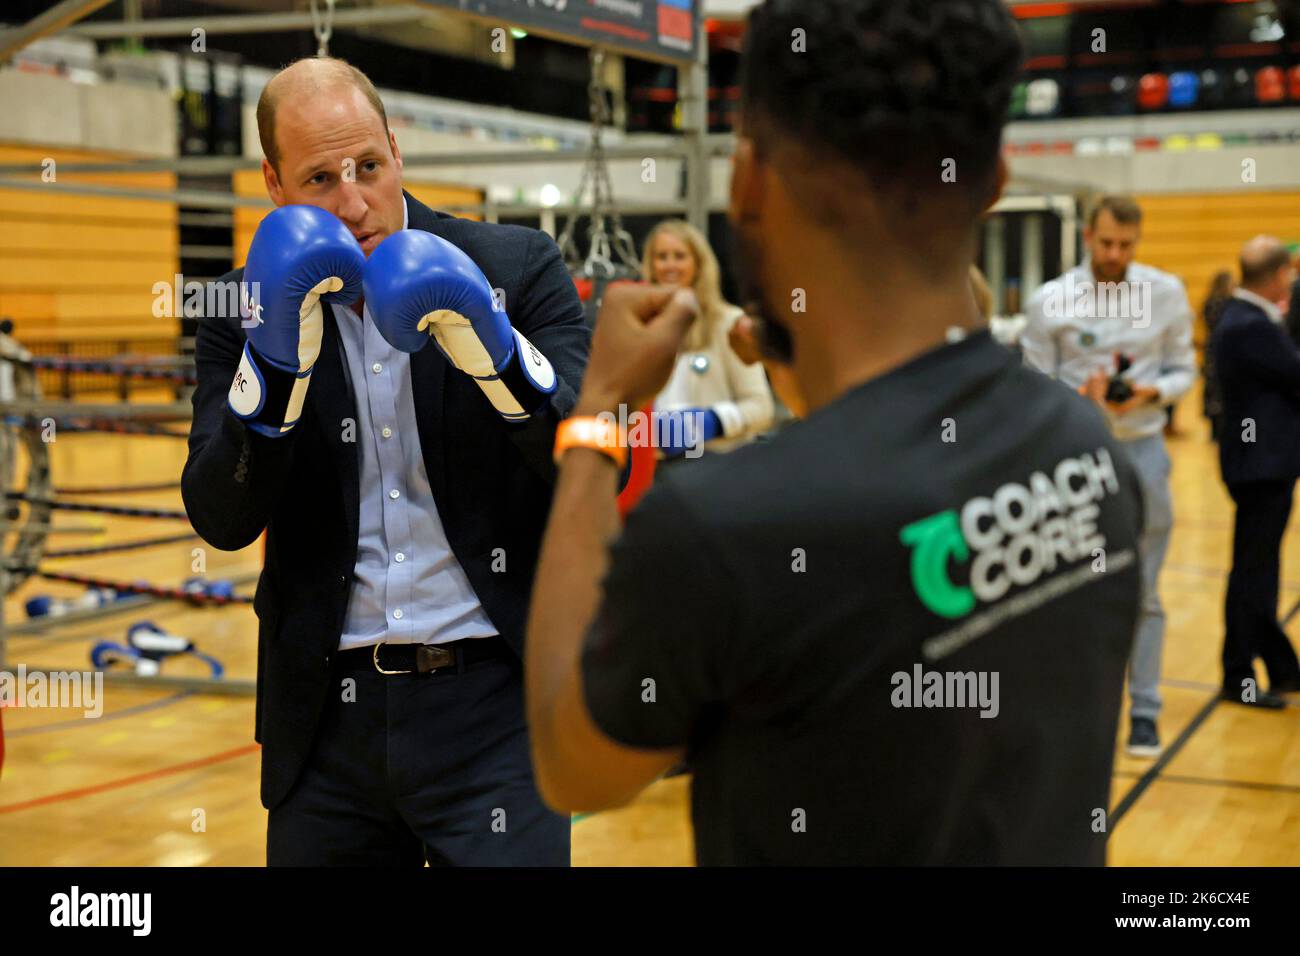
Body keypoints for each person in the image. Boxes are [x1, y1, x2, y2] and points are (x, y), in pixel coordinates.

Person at [525, 0, 1144, 865]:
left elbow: (570, 764)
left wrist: (597, 419)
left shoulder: (728, 527)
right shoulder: (1087, 449)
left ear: (747, 183)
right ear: (995, 179)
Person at [181, 57, 589, 866]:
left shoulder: (513, 268)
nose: (355, 201)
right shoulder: (245, 310)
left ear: (396, 149)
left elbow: (585, 457)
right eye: (320, 178)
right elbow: (221, 518)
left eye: (368, 165)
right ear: (272, 182)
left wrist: (496, 354)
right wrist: (274, 374)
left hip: (495, 705)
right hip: (325, 725)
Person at [1021, 195, 1196, 760]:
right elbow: (1033, 388)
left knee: (1144, 591)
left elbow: (1183, 370)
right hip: (1076, 462)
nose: (1115, 254)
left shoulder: (1165, 292)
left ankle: (1143, 712)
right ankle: (1076, 715)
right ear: (1088, 237)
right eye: (1106, 243)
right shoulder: (1049, 301)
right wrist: (1082, 398)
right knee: (1070, 589)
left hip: (1144, 450)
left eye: (1126, 244)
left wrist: (1153, 393)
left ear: (1138, 240)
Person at [1212, 235, 1300, 710]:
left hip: (1261, 462)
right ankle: (1239, 676)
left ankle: (1283, 668)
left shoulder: (1243, 317)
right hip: (1261, 465)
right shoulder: (1249, 324)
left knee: (1257, 571)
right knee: (1253, 575)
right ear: (1278, 275)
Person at [642, 220, 773, 457]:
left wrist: (712, 421)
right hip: (654, 469)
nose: (670, 265)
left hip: (716, 465)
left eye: (679, 256)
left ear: (699, 264)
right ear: (650, 265)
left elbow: (761, 408)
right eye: (662, 256)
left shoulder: (729, 323)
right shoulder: (641, 327)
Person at [1201, 270, 1234, 440]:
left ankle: (1216, 430)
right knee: (1216, 390)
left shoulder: (1211, 302)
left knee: (1213, 389)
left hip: (1213, 349)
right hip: (1219, 349)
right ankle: (1217, 429)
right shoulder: (1224, 303)